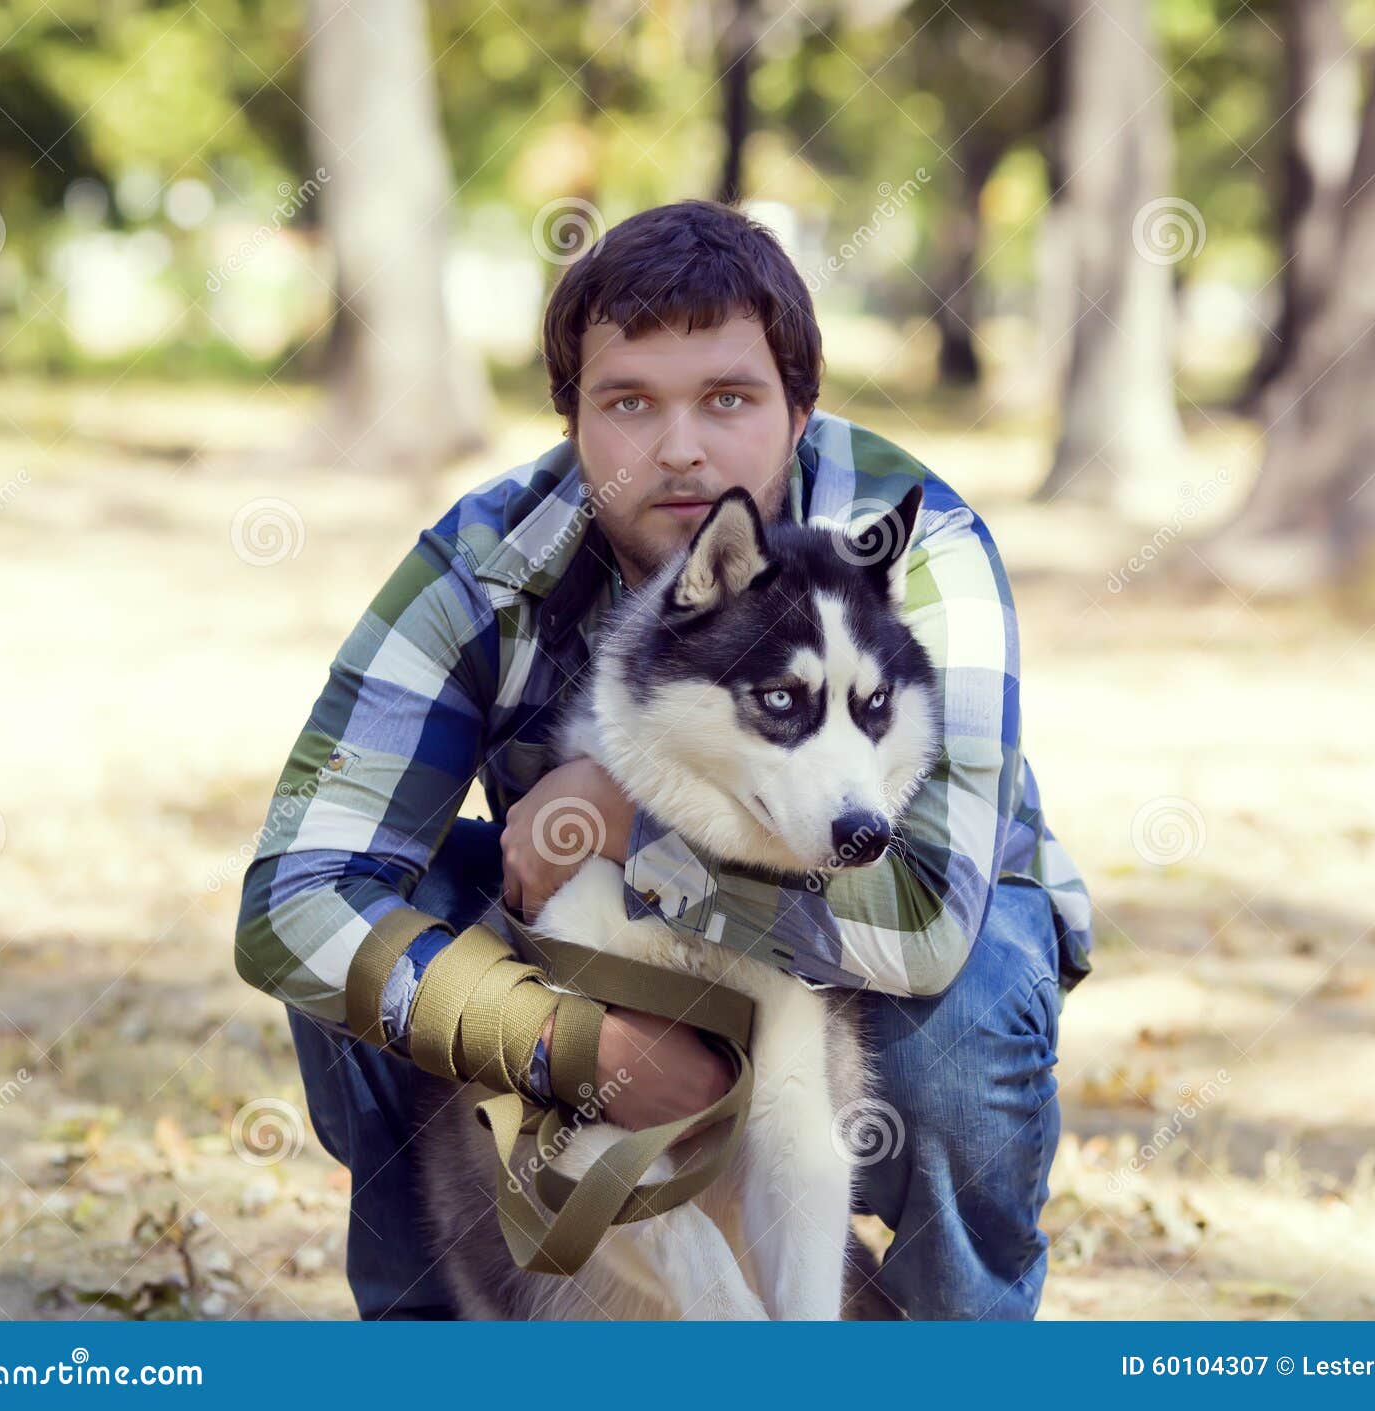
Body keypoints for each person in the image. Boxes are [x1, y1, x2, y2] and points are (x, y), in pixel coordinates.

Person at [234, 198, 1093, 1321]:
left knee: (965, 1015)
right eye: (629, 402)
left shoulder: (909, 548)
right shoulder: (479, 568)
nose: (680, 447)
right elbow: (294, 900)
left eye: (728, 398)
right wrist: (560, 1043)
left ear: (799, 412)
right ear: (571, 423)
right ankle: (441, 1335)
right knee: (372, 940)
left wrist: (633, 819)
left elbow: (930, 925)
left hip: (894, 925)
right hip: (605, 941)